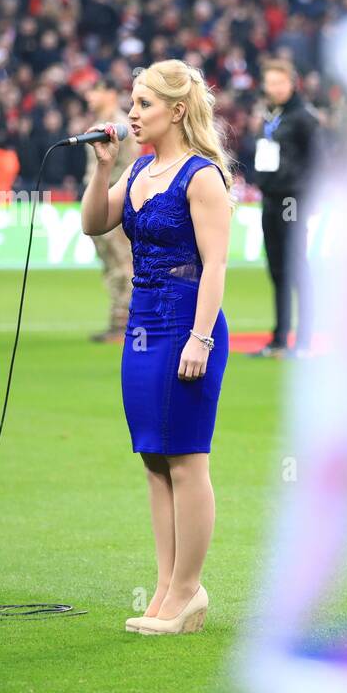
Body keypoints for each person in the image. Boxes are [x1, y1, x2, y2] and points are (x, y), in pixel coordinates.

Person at [79, 59, 235, 636]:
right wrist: (101, 171)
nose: (132, 114)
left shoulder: (202, 175)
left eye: (143, 104)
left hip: (187, 323)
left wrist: (199, 337)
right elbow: (94, 223)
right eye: (132, 102)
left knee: (188, 459)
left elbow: (216, 264)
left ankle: (188, 591)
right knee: (153, 459)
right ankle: (166, 587)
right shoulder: (141, 169)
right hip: (144, 322)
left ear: (177, 110)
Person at [250, 57, 320, 357]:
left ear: (292, 83)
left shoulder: (304, 117)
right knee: (277, 269)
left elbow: (319, 161)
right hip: (270, 196)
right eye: (270, 83)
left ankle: (303, 340)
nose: (274, 88)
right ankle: (279, 338)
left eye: (280, 82)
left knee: (296, 268)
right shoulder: (271, 115)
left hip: (293, 198)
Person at [83, 73, 139, 343]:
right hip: (100, 202)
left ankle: (125, 323)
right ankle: (118, 319)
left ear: (111, 93)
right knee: (110, 264)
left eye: (95, 89)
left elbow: (127, 167)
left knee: (122, 264)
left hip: (114, 203)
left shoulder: (121, 126)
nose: (89, 96)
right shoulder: (101, 124)